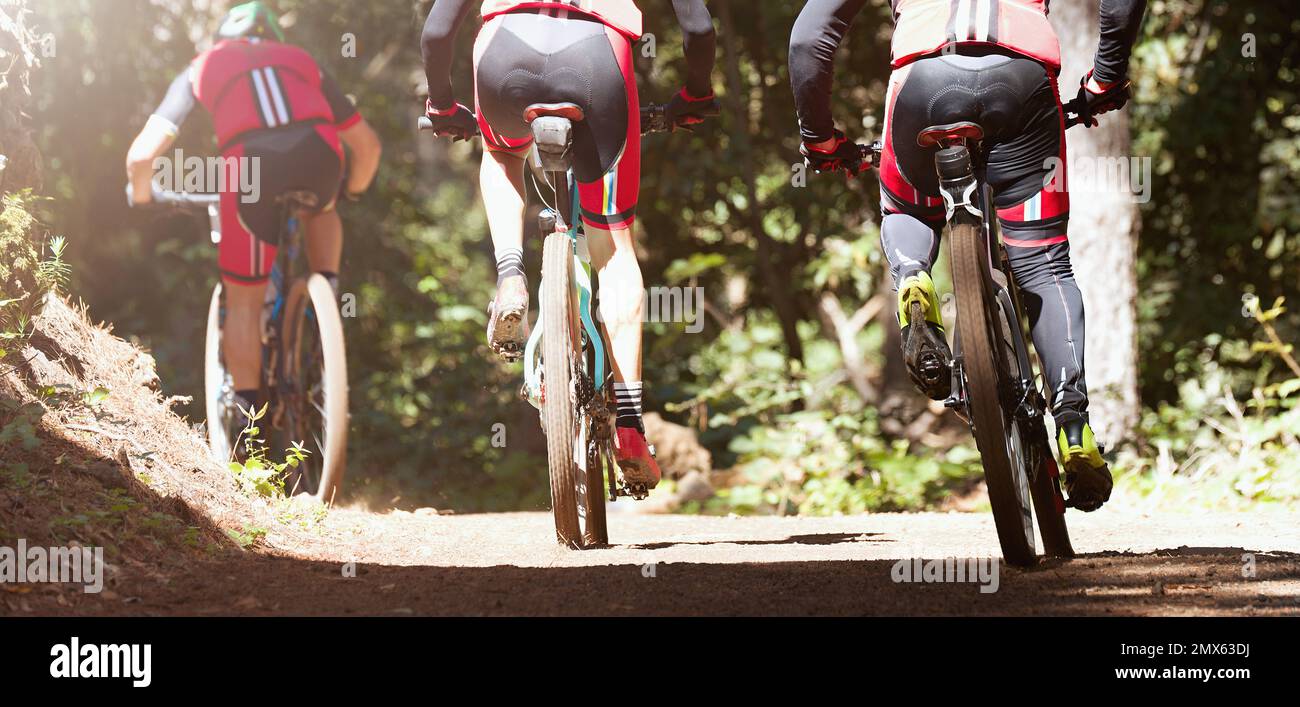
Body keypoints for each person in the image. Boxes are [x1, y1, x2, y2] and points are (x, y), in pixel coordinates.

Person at [789, 0, 1147, 511]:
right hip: (1021, 80)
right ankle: (1073, 427)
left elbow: (808, 38)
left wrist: (819, 139)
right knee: (1044, 264)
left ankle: (914, 280)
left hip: (923, 79)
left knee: (907, 211)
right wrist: (1106, 79)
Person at [420, 0, 718, 488]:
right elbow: (699, 27)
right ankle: (629, 425)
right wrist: (695, 94)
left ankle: (511, 276)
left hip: (505, 51)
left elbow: (436, 33)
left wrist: (441, 105)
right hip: (597, 57)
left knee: (500, 155)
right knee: (615, 249)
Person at [125, 2, 382, 427]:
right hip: (319, 155)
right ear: (274, 38)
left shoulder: (202, 65)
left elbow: (140, 158)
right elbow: (368, 147)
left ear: (222, 38)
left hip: (249, 168)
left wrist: (142, 196)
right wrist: (349, 191)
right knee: (326, 204)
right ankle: (326, 300)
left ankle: (248, 426)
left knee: (244, 303)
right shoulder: (301, 60)